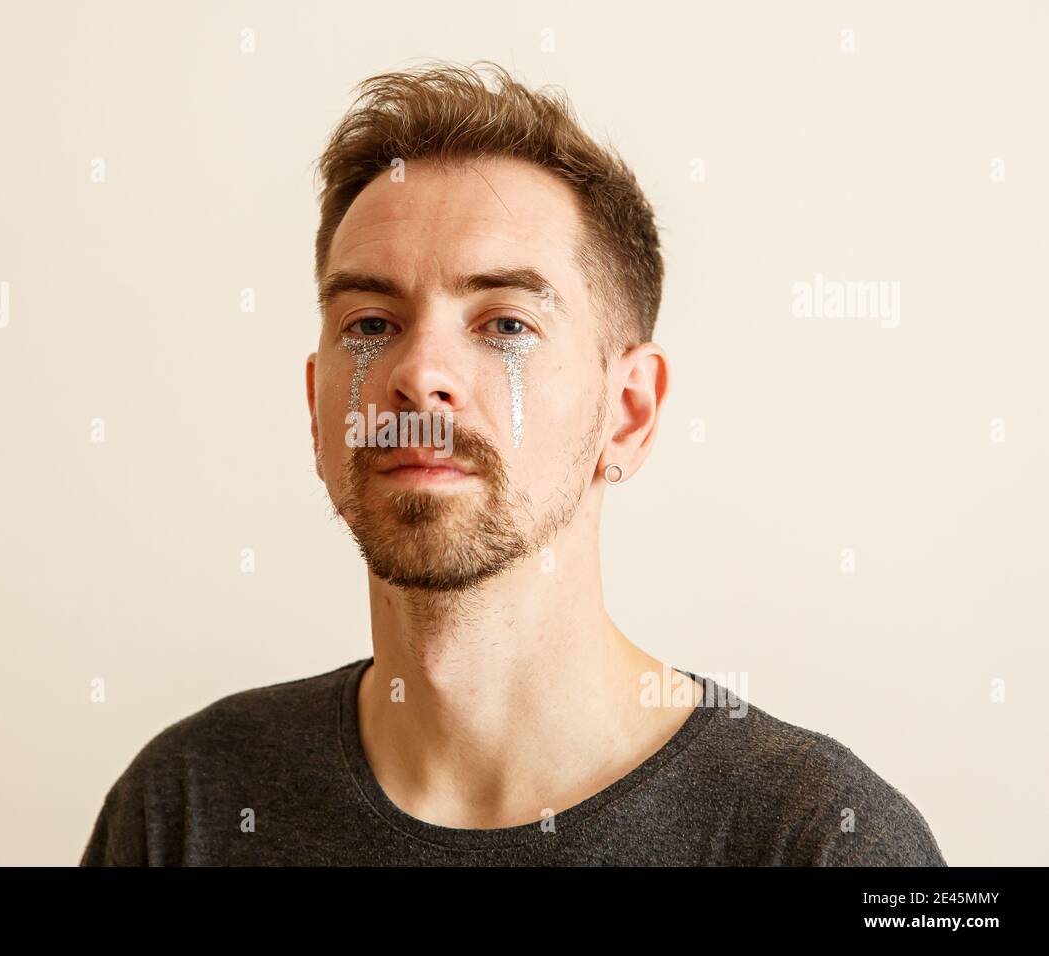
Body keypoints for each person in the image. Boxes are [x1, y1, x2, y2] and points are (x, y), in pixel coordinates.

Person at [79, 60, 945, 866]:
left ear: (629, 412)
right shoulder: (185, 806)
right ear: (317, 409)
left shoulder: (818, 840)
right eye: (371, 324)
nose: (418, 377)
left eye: (505, 325)